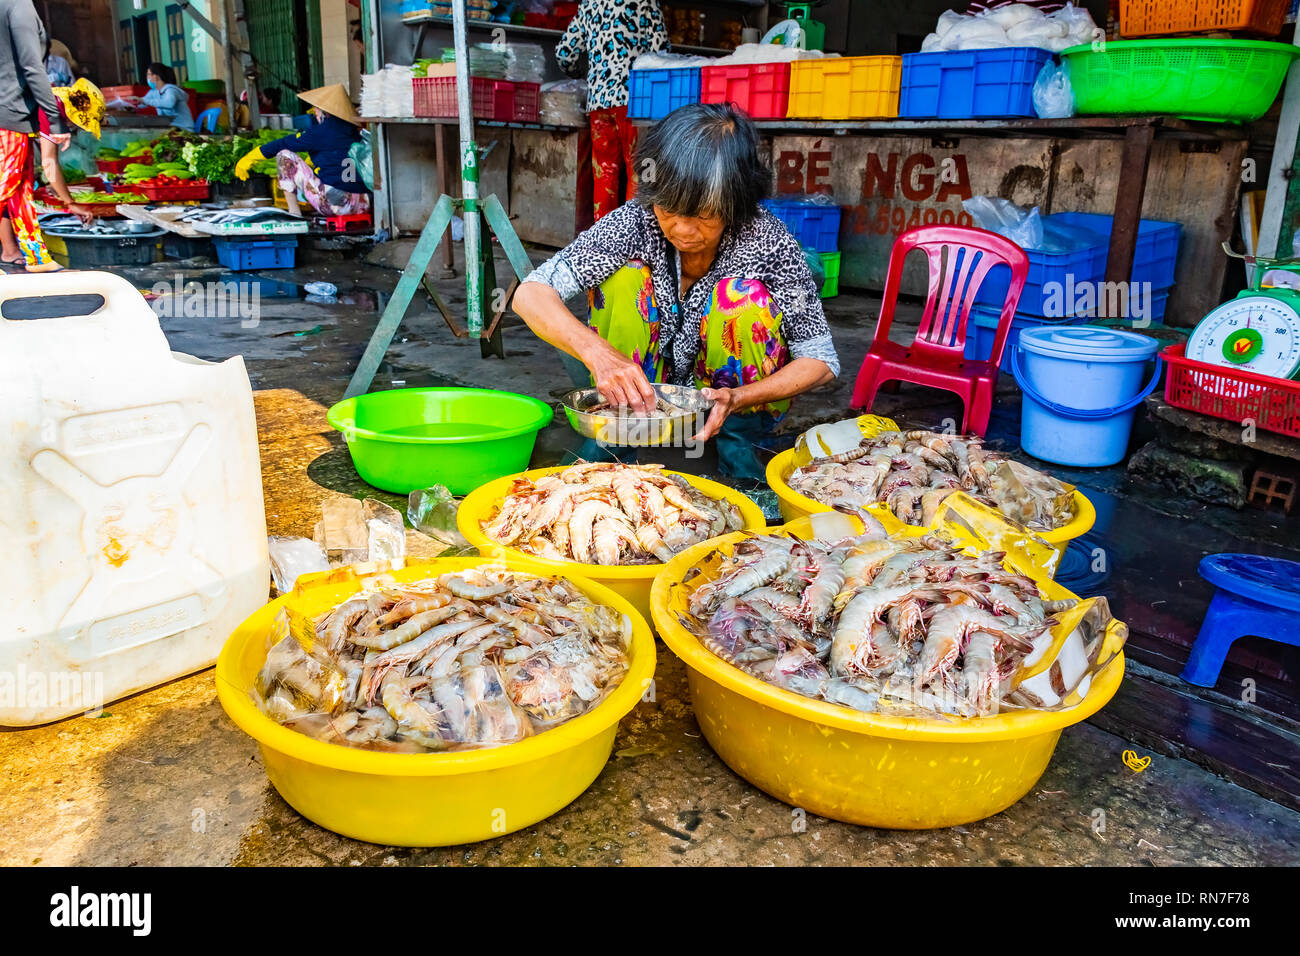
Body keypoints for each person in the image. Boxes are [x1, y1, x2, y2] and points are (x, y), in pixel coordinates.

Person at [512, 103, 839, 480]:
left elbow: (821, 360)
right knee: (623, 278)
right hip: (646, 388)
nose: (683, 230)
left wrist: (738, 397)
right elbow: (531, 293)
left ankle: (741, 449)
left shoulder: (768, 240)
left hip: (734, 398)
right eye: (670, 209)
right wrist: (599, 355)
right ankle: (616, 431)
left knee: (741, 301)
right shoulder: (633, 221)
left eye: (703, 215)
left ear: (735, 205)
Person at [556, 0, 668, 220]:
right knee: (638, 170)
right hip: (635, 99)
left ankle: (604, 238)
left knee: (604, 171)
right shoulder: (645, 2)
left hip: (599, 102)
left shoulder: (590, 3)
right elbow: (661, 51)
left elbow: (565, 53)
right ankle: (632, 238)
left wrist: (584, 74)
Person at [232, 83, 369, 218]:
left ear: (325, 112)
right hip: (363, 204)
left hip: (335, 206)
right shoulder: (355, 133)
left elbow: (283, 143)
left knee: (284, 155)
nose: (314, 113)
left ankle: (294, 212)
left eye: (316, 109)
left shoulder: (320, 132)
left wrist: (250, 157)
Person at [0, 0, 67, 271]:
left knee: (20, 190)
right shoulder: (18, 6)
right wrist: (54, 119)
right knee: (6, 186)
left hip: (12, 114)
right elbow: (32, 66)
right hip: (9, 114)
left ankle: (37, 257)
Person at [141, 62, 195, 132]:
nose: (147, 77)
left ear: (156, 76)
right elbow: (142, 102)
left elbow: (169, 103)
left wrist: (143, 100)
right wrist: (131, 104)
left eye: (148, 74)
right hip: (170, 129)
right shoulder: (154, 91)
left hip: (183, 130)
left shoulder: (171, 90)